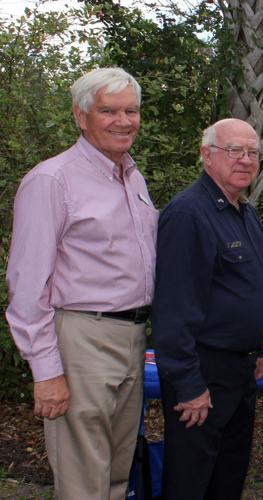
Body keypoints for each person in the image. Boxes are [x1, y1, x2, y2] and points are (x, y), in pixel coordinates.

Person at [5, 67, 156, 499]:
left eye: (131, 110)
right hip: (81, 337)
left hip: (131, 337)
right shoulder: (52, 180)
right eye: (108, 110)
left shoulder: (132, 177)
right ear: (80, 115)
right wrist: (47, 370)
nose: (123, 120)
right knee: (83, 479)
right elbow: (27, 282)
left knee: (115, 473)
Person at [151, 118, 263, 499]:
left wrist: (256, 350)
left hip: (239, 371)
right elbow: (174, 309)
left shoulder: (244, 212)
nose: (245, 160)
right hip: (203, 373)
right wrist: (189, 386)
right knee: (193, 481)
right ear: (206, 156)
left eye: (252, 153)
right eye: (234, 151)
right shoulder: (189, 214)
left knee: (227, 477)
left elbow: (244, 289)